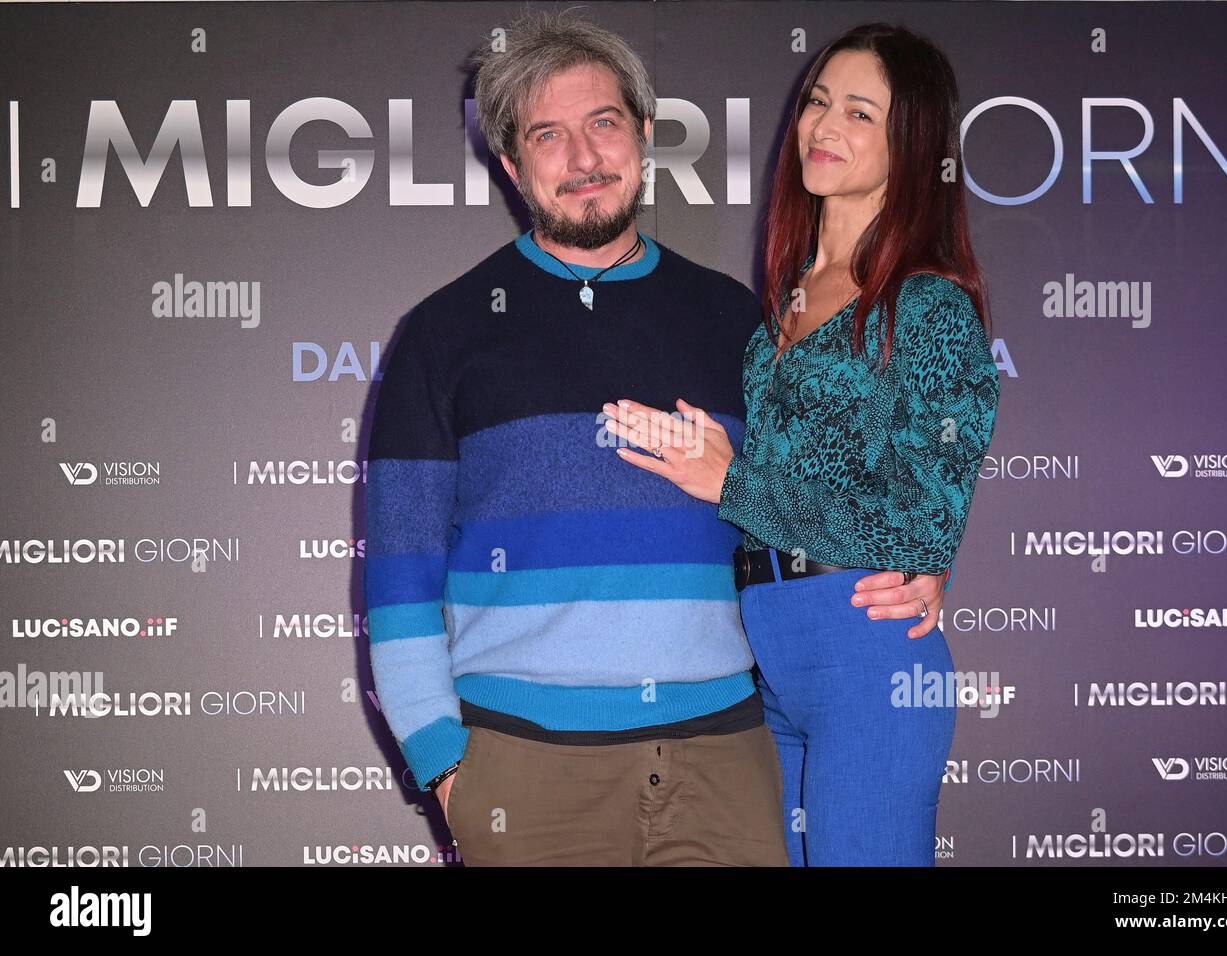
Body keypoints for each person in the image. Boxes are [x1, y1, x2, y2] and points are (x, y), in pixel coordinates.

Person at [364, 9, 949, 866]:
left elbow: (831, 486)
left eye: (603, 124)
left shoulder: (742, 324)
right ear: (510, 161)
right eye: (548, 135)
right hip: (526, 768)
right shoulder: (444, 334)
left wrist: (919, 558)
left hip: (728, 762)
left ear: (643, 133)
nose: (583, 158)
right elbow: (399, 577)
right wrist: (446, 766)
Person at [603, 22, 1000, 866]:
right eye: (819, 102)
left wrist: (733, 483)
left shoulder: (927, 307)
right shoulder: (786, 296)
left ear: (913, 141)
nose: (825, 126)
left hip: (864, 651)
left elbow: (918, 525)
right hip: (761, 652)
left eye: (862, 113)